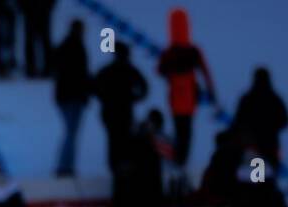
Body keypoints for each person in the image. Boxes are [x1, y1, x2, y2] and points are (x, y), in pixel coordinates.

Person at [156, 6, 214, 169]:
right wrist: (211, 91)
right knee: (187, 132)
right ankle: (182, 160)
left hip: (175, 97)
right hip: (189, 98)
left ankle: (177, 158)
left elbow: (159, 70)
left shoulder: (169, 52)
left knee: (179, 129)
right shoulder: (194, 51)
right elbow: (205, 72)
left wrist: (171, 75)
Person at [94, 42, 148, 175]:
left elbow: (94, 86)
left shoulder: (108, 70)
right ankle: (120, 167)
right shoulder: (128, 70)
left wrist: (105, 98)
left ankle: (117, 167)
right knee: (121, 139)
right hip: (121, 112)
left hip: (112, 112)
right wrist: (133, 98)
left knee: (115, 140)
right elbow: (144, 88)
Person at [51, 19, 91, 176]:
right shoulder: (75, 47)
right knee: (71, 133)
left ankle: (66, 164)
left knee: (70, 133)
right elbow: (78, 74)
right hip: (72, 96)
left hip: (66, 95)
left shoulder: (65, 46)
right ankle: (65, 166)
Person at [232, 67, 288, 173]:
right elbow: (285, 121)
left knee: (256, 180)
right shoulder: (275, 99)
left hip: (253, 146)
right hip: (270, 145)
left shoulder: (247, 99)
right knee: (267, 180)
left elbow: (237, 122)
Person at [18, 0, 55, 77]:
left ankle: (46, 68)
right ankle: (32, 68)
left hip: (40, 11)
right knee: (34, 41)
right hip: (32, 11)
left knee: (43, 41)